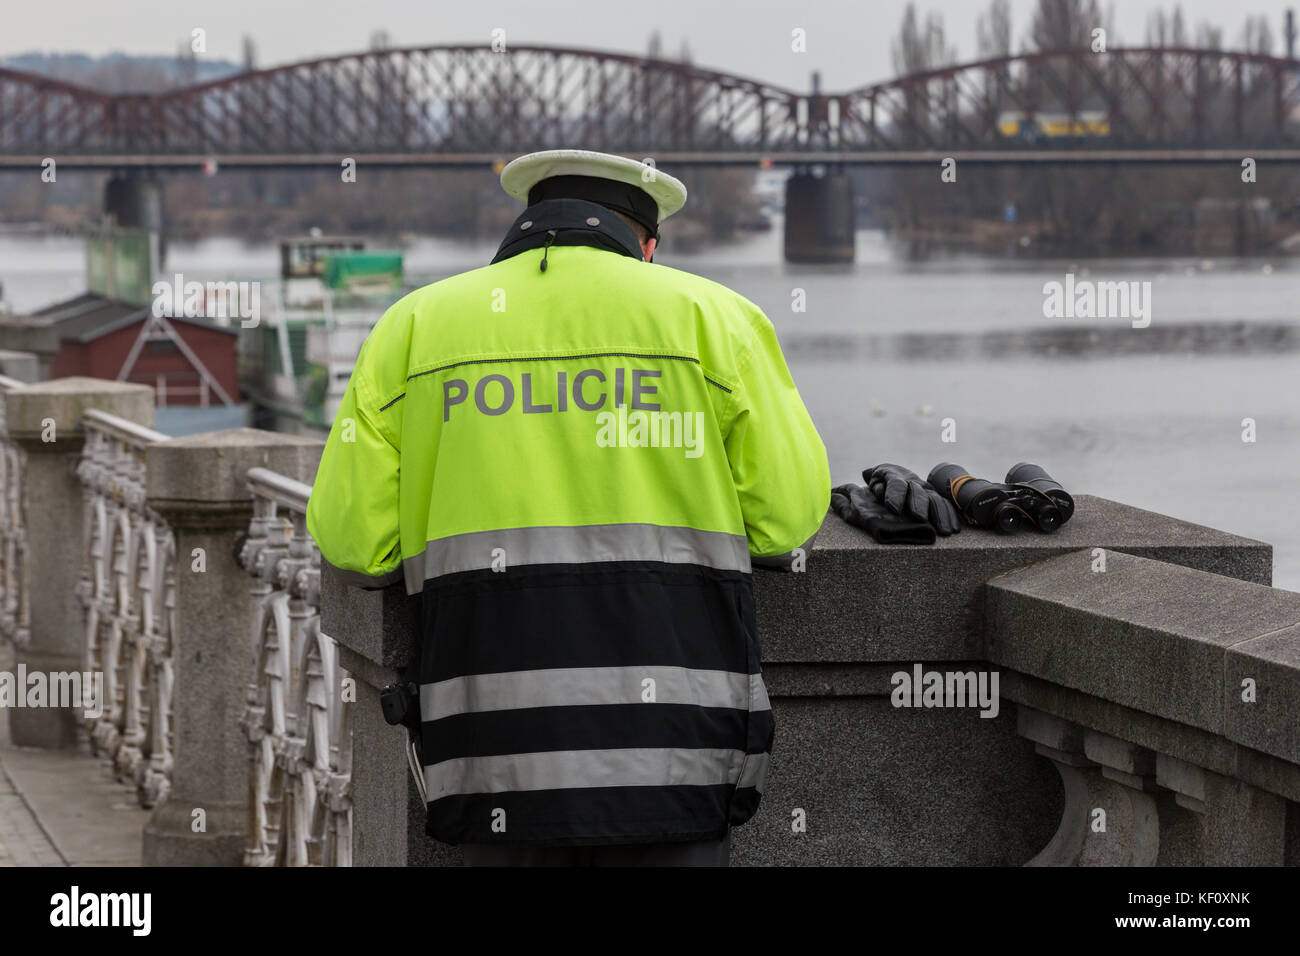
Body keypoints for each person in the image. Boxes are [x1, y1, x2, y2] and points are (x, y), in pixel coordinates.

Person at [305, 149, 829, 866]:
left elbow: (354, 540)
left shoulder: (414, 327)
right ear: (646, 243)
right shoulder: (716, 321)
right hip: (676, 748)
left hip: (491, 751)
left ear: (528, 221)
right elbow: (786, 519)